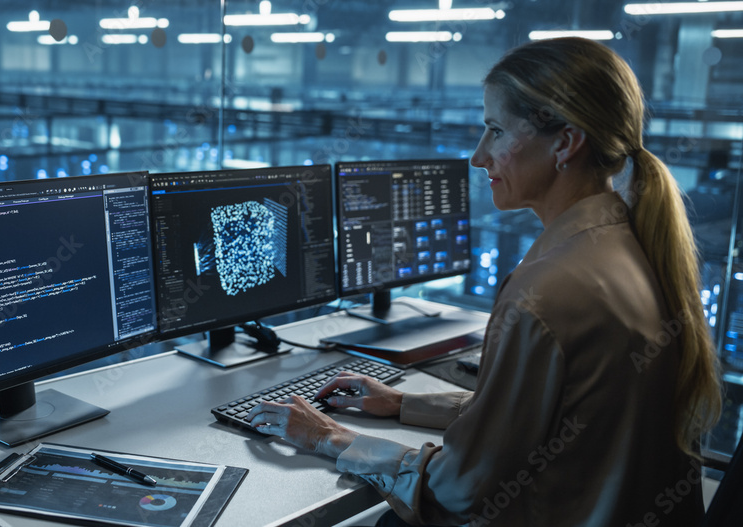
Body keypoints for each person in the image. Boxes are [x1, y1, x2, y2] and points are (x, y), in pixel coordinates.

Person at [247, 37, 723, 526]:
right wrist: (403, 403)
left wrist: (331, 438)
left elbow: (460, 487)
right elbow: (535, 420)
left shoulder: (547, 291)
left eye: (495, 131)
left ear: (565, 143)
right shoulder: (635, 246)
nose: (479, 156)